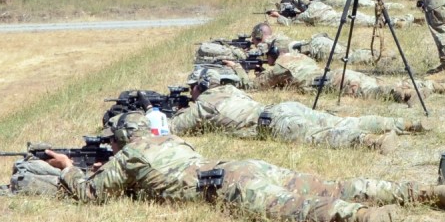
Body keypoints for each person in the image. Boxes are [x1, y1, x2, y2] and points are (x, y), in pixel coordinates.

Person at [47, 112, 445, 222]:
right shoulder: (171, 140)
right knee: (331, 184)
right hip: (241, 165)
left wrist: (69, 168)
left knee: (294, 208)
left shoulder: (132, 154)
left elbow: (92, 195)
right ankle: (418, 191)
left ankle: (363, 219)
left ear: (121, 140)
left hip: (225, 187)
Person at [171, 65, 427, 153]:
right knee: (340, 121)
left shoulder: (204, 105)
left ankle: (372, 142)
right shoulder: (231, 91)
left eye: (192, 87)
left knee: (322, 136)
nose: (190, 91)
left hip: (273, 123)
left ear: (202, 86)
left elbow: (175, 128)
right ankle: (401, 124)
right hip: (283, 108)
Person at [226, 44, 445, 104]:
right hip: (336, 73)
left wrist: (236, 68)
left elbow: (254, 87)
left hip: (329, 83)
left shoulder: (281, 67)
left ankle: (406, 95)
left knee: (373, 91)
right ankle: (435, 86)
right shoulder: (299, 58)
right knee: (375, 82)